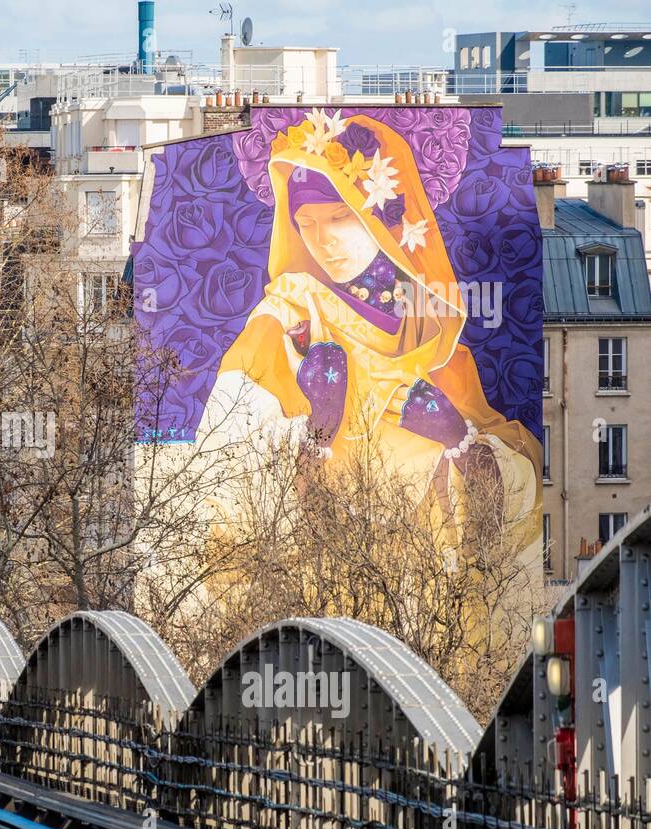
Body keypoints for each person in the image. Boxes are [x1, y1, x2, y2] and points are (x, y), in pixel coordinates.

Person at [199, 111, 541, 562]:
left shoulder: (428, 319)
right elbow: (219, 453)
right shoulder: (292, 309)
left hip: (431, 601)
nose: (324, 240)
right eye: (307, 222)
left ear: (378, 217)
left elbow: (520, 495)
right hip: (319, 592)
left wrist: (457, 436)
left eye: (341, 216)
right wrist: (316, 431)